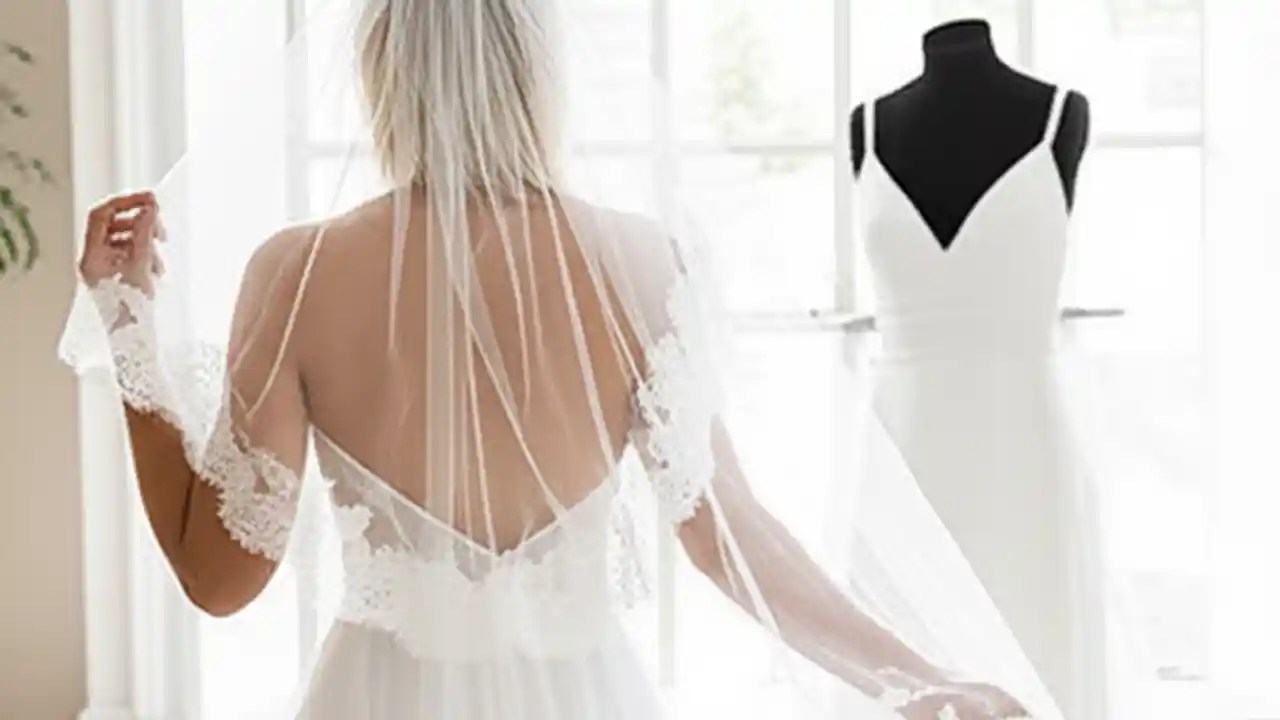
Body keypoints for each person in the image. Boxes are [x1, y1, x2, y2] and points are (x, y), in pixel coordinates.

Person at [66, 2, 1036, 718]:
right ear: (541, 72)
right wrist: (917, 676)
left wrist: (128, 332)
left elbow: (218, 580)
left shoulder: (299, 271)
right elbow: (732, 542)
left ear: (375, 70)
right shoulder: (639, 262)